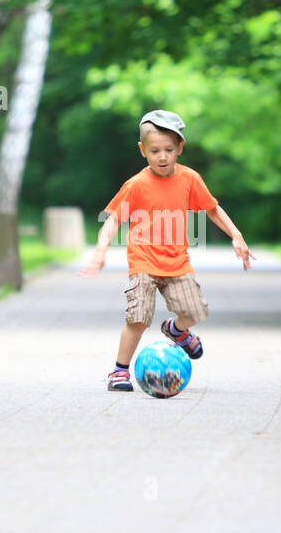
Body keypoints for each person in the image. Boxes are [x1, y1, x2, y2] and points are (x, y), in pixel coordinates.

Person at [78, 109, 256, 390]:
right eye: (155, 150)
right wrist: (100, 251)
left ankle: (177, 331)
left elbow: (212, 209)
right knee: (138, 318)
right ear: (142, 150)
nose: (162, 156)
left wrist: (237, 235)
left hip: (177, 264)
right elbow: (113, 220)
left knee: (196, 311)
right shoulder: (136, 185)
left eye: (169, 150)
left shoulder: (190, 179)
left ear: (180, 148)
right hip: (144, 263)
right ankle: (119, 372)